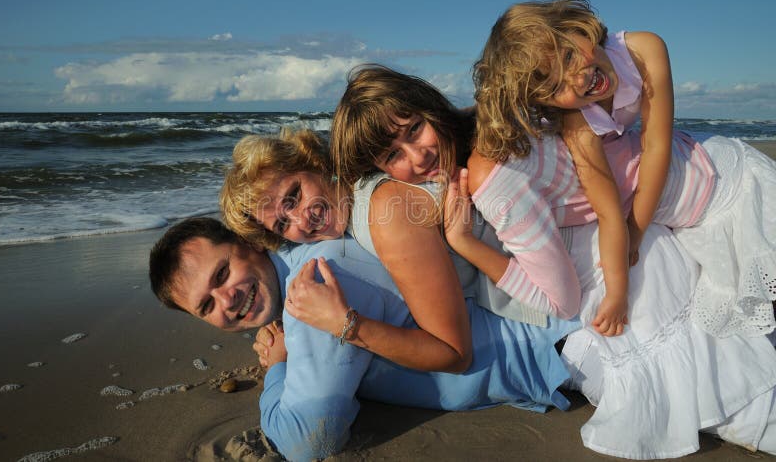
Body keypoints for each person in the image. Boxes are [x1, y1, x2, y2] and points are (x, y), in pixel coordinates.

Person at [326, 64, 776, 459]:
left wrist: (463, 242)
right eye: (392, 156)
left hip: (686, 204)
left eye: (413, 130)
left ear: (431, 107)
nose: (417, 155)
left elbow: (556, 299)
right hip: (646, 223)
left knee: (720, 376)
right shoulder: (468, 152)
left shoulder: (489, 167)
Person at [148, 216, 576, 461]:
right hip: (552, 330)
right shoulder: (313, 251)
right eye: (207, 305)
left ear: (251, 244)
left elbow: (305, 443)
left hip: (565, 351)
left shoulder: (312, 291)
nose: (228, 299)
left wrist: (279, 366)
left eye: (222, 274)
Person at [472, 0, 776, 338]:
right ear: (543, 102)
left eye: (570, 55)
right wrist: (618, 295)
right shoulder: (575, 121)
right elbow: (607, 210)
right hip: (690, 211)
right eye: (557, 87)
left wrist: (635, 233)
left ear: (575, 26)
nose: (578, 79)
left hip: (726, 178)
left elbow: (656, 144)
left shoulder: (644, 49)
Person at [219, 129, 569, 374]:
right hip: (546, 282)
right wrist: (280, 324)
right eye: (283, 225)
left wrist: (345, 325)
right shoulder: (358, 196)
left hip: (560, 320)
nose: (302, 220)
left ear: (314, 163)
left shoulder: (382, 212)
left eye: (294, 196)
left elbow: (454, 355)